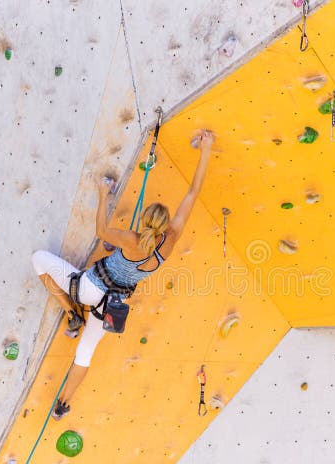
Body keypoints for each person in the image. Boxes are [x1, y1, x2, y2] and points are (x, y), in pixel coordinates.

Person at [32, 130, 215, 418]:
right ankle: (61, 406)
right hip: (110, 307)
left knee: (39, 260)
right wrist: (206, 152)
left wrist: (103, 195)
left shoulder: (131, 239)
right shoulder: (169, 242)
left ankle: (71, 312)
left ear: (144, 222)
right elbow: (193, 193)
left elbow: (102, 231)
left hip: (89, 288)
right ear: (166, 226)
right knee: (84, 354)